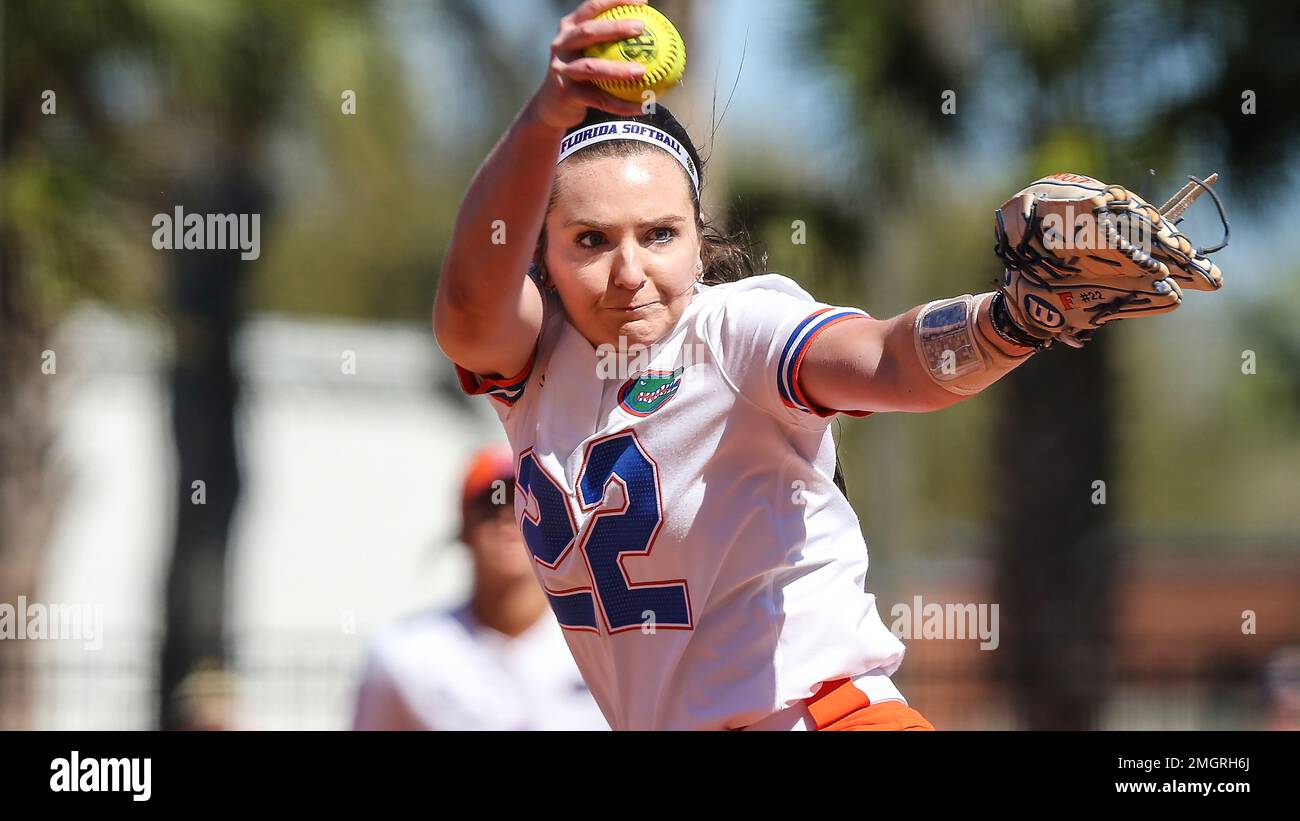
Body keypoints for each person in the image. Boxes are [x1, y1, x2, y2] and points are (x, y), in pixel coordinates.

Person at [432, 0, 1221, 730]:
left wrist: (1012, 319)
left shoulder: (737, 328)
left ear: (701, 238)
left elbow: (885, 358)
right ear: (541, 254)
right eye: (591, 240)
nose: (630, 268)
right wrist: (546, 117)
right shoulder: (536, 370)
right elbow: (468, 310)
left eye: (660, 234)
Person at [353, 445, 607, 730]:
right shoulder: (406, 652)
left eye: (522, 506)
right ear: (464, 531)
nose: (506, 522)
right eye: (489, 508)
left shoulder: (603, 644)